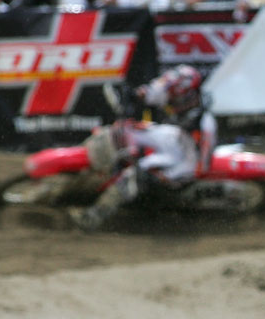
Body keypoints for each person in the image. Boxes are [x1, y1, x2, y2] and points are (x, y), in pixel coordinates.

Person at [69, 65, 217, 231]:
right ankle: (92, 170)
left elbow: (200, 166)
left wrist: (165, 178)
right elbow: (147, 92)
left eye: (174, 94)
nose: (169, 98)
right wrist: (131, 96)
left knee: (136, 174)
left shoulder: (205, 123)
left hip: (185, 158)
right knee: (123, 130)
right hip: (172, 136)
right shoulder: (169, 88)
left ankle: (92, 217)